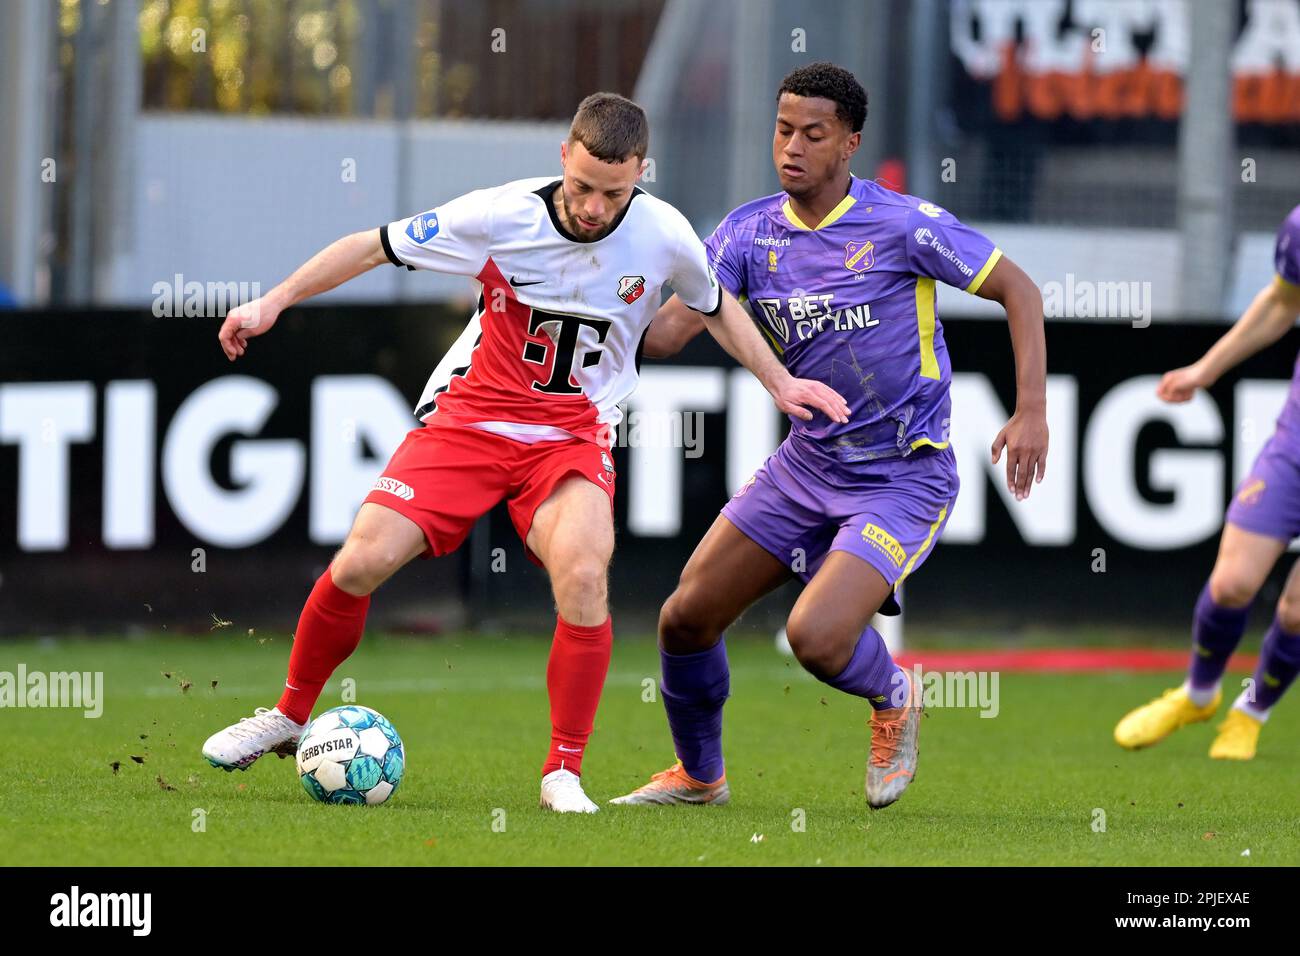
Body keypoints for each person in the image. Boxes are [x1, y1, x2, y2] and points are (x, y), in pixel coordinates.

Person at [200, 92, 847, 813]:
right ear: (563, 155)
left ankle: (561, 772)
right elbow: (371, 244)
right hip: (469, 422)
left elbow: (715, 305)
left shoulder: (663, 235)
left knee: (582, 575)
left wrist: (780, 381)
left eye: (615, 192)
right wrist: (273, 303)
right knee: (361, 561)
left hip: (571, 438)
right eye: (583, 188)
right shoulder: (500, 215)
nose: (596, 208)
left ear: (640, 173)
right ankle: (289, 716)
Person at [612, 63, 1048, 810]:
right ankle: (699, 777)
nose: (793, 147)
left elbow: (1020, 289)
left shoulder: (902, 224)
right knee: (684, 619)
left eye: (814, 134)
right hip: (805, 467)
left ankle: (895, 700)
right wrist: (607, 285)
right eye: (783, 130)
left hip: (903, 476)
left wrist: (1031, 407)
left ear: (850, 144)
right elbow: (670, 333)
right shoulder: (747, 233)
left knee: (815, 637)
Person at [1114, 204, 1300, 761]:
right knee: (1232, 584)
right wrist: (1205, 369)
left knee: (1296, 611)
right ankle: (1198, 694)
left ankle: (1252, 712)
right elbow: (1282, 302)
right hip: (1295, 446)